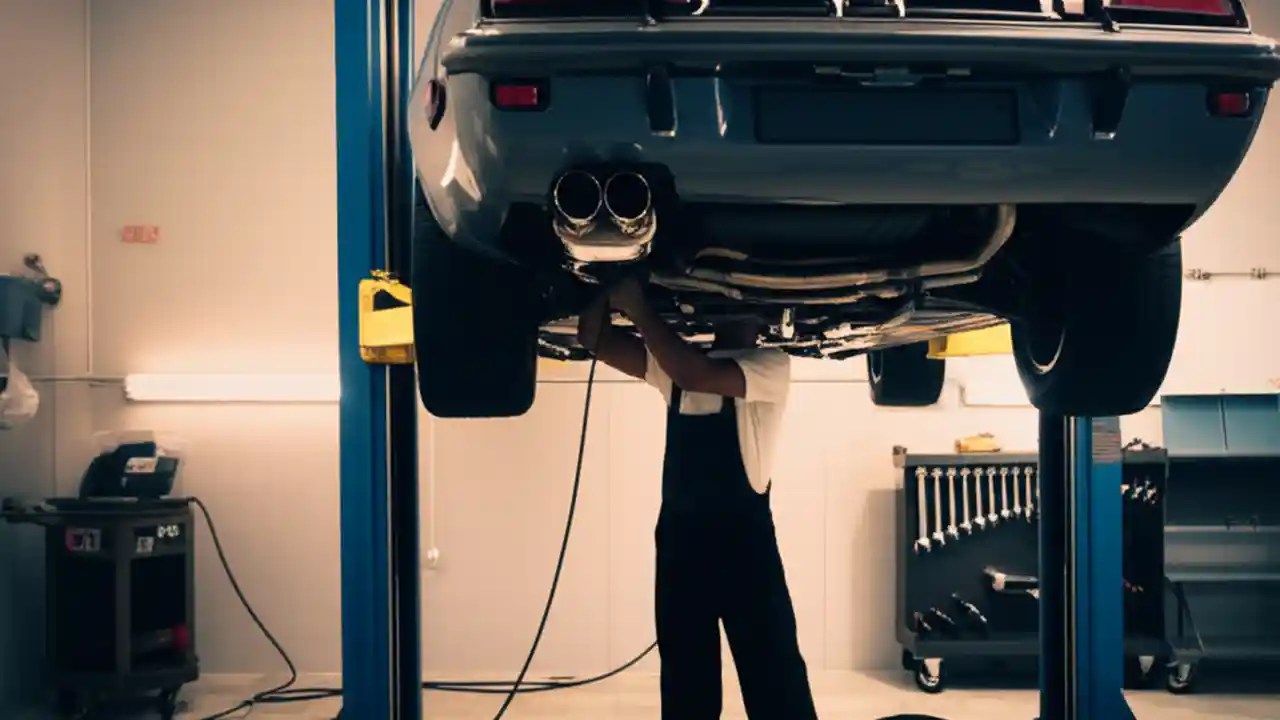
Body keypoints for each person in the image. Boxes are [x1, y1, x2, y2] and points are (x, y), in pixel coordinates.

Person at [578, 277, 818, 720]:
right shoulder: (676, 367)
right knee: (687, 681)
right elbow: (593, 339)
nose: (733, 312)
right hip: (681, 552)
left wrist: (638, 307)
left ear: (762, 321)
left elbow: (697, 374)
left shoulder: (769, 367)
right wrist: (602, 284)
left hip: (744, 550)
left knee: (774, 675)